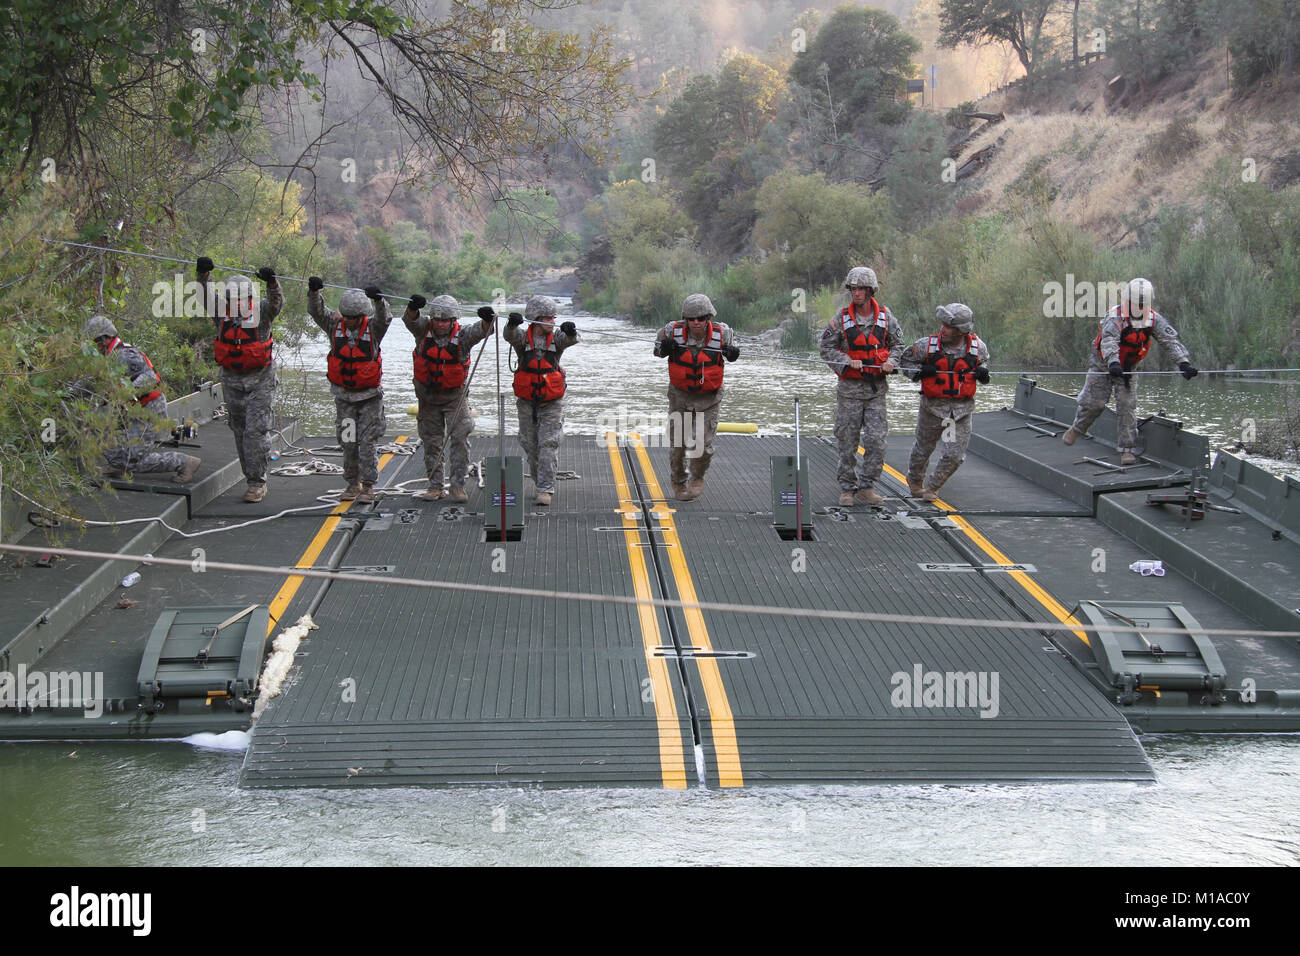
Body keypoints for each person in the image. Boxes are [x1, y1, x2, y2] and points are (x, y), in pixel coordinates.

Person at [1062, 278, 1197, 465]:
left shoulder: (1153, 319)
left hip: (1129, 368)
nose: (1138, 308)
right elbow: (1108, 340)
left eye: (1142, 304)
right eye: (1135, 304)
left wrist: (1183, 363)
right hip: (1103, 364)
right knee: (1094, 403)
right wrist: (1113, 362)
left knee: (1127, 406)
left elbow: (1169, 341)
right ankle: (1077, 429)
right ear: (1128, 301)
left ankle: (1127, 449)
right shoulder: (1115, 316)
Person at [196, 257, 282, 503]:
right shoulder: (220, 313)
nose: (236, 304)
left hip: (261, 381)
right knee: (240, 431)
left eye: (240, 299)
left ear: (249, 298)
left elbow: (277, 302)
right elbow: (204, 295)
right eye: (232, 300)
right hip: (232, 382)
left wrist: (272, 282)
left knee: (255, 432)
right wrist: (203, 275)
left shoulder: (263, 311)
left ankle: (257, 482)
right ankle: (251, 477)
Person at [819, 266, 904, 507]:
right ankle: (847, 488)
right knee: (847, 441)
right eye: (853, 289)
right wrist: (846, 361)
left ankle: (867, 486)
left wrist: (891, 361)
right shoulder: (841, 319)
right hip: (849, 393)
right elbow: (825, 348)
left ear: (870, 291)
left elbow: (899, 345)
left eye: (861, 289)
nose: (856, 293)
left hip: (876, 392)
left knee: (876, 441)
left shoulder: (887, 318)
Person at [83, 314, 201, 482]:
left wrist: (127, 392)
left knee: (132, 460)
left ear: (106, 338)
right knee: (114, 453)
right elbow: (94, 383)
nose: (95, 347)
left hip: (149, 409)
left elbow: (150, 378)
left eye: (96, 342)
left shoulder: (126, 356)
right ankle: (120, 465)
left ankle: (183, 462)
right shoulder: (109, 358)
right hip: (135, 410)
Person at [307, 277, 392, 503]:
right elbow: (318, 313)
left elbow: (385, 318)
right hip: (344, 397)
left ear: (362, 316)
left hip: (369, 398)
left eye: (354, 318)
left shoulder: (374, 328)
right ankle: (352, 483)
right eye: (347, 317)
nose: (350, 321)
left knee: (367, 442)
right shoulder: (335, 326)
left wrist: (379, 300)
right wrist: (314, 293)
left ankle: (368, 486)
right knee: (348, 441)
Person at [405, 294, 496, 501]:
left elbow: (484, 329)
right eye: (437, 320)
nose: (440, 324)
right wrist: (413, 307)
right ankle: (435, 486)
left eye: (445, 320)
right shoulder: (422, 332)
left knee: (460, 440)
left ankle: (457, 486)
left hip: (455, 398)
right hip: (427, 398)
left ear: (453, 320)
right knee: (431, 442)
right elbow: (411, 319)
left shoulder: (463, 336)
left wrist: (488, 318)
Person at [900, 304, 991, 501]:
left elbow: (984, 364)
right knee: (922, 450)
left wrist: (983, 375)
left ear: (961, 330)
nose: (943, 329)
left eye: (948, 327)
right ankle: (915, 482)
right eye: (942, 325)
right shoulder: (925, 345)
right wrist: (919, 372)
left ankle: (932, 487)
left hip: (960, 413)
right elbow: (905, 362)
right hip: (931, 409)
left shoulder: (978, 348)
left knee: (954, 455)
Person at [653, 293, 740, 500]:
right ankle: (678, 481)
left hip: (709, 398)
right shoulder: (670, 331)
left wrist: (733, 354)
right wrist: (663, 348)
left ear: (708, 317)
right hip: (680, 396)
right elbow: (657, 351)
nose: (696, 323)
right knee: (678, 445)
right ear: (685, 319)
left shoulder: (724, 333)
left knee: (703, 445)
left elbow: (734, 352)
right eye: (691, 319)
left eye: (700, 318)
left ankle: (698, 476)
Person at [503, 295, 577, 506]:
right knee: (529, 444)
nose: (553, 321)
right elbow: (509, 335)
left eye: (554, 318)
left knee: (548, 443)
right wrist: (512, 323)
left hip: (551, 402)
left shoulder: (556, 339)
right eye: (548, 318)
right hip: (527, 402)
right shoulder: (522, 339)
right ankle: (538, 480)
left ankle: (545, 488)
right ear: (536, 319)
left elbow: (570, 339)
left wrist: (571, 331)